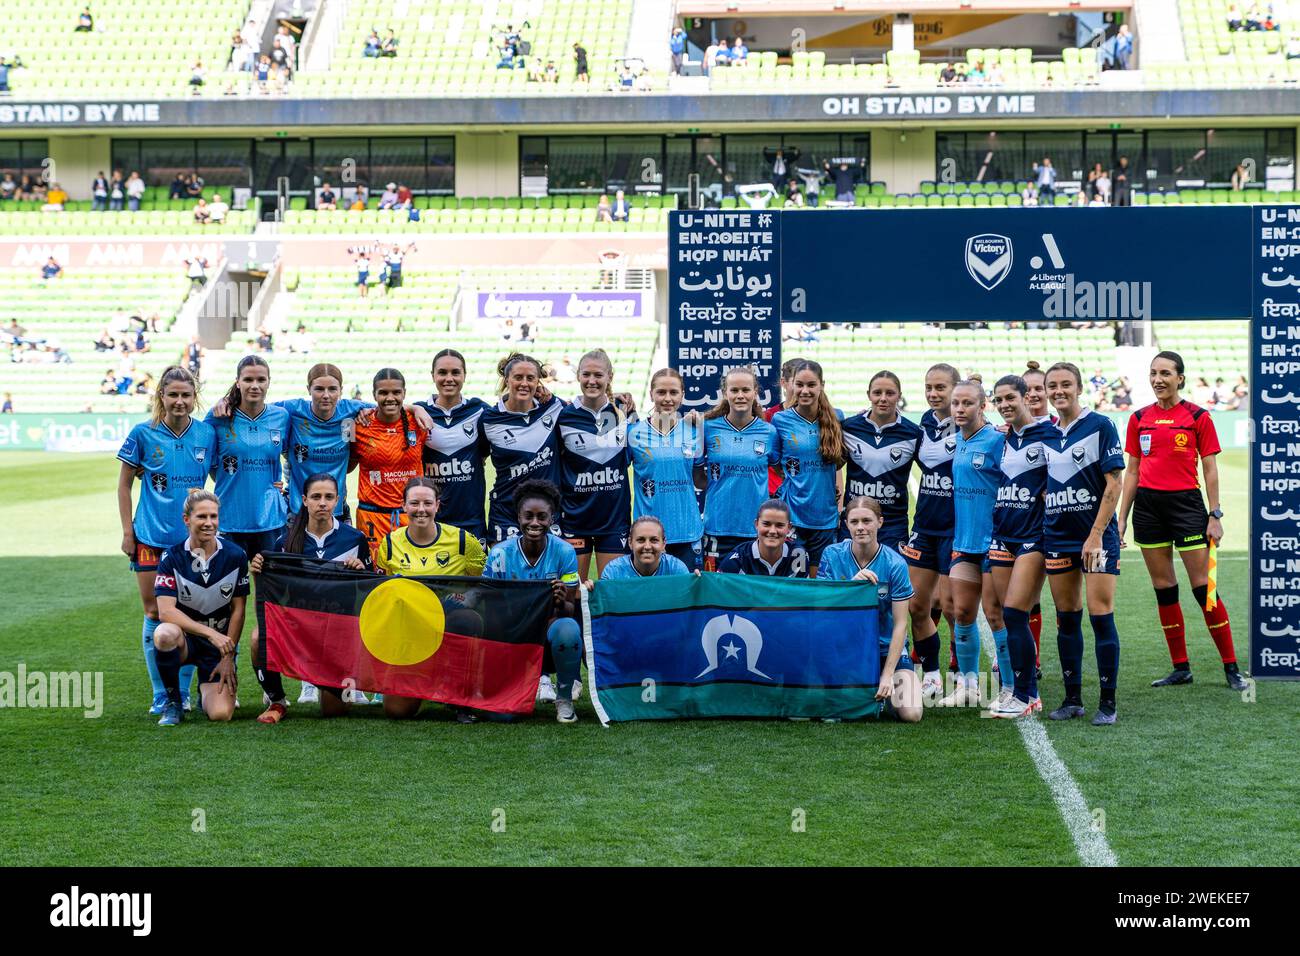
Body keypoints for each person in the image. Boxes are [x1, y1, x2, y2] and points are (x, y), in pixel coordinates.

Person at [1117, 352, 1245, 691]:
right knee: (1164, 589)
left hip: (1187, 506)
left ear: (1180, 378)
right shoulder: (1139, 417)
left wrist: (1214, 514)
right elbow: (1131, 471)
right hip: (1147, 507)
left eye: (1166, 373)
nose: (1158, 379)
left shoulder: (1197, 416)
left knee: (1205, 590)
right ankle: (1180, 667)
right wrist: (1121, 519)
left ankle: (1231, 668)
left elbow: (1210, 467)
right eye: (1153, 373)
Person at [117, 366, 216, 715]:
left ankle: (183, 692)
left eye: (186, 395)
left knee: (188, 613)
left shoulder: (206, 434)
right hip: (149, 536)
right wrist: (128, 531)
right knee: (153, 611)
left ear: (194, 398)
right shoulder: (143, 434)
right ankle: (161, 692)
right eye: (172, 394)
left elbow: (223, 477)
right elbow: (124, 485)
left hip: (189, 542)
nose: (179, 401)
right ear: (161, 396)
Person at [247, 474, 374, 723]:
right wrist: (258, 572)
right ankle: (277, 700)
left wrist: (361, 570)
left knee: (334, 711)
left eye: (328, 497)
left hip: (338, 635)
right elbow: (271, 596)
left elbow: (371, 592)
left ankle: (336, 679)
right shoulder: (285, 542)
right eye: (316, 497)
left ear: (338, 500)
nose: (322, 503)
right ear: (304, 501)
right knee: (257, 638)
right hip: (299, 631)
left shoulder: (354, 539)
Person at [1042, 362, 1125, 725]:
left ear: (1078, 388)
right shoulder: (1045, 432)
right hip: (1057, 535)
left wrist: (1094, 535)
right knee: (1066, 618)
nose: (1059, 391)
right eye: (1053, 386)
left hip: (1095, 536)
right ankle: (1072, 698)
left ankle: (1108, 702)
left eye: (1065, 385)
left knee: (1100, 615)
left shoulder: (1100, 425)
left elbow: (1115, 484)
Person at [204, 355, 290, 700]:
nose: (255, 386)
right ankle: (227, 679)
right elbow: (209, 462)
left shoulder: (283, 416)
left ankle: (271, 687)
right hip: (230, 523)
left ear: (269, 382)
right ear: (238, 382)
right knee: (224, 606)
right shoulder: (218, 418)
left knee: (269, 605)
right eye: (249, 380)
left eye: (261, 380)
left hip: (271, 522)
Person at [374, 477, 488, 720]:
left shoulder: (462, 541)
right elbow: (382, 593)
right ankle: (426, 681)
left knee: (468, 620)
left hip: (450, 625)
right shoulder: (390, 544)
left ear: (438, 505)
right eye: (414, 503)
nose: (421, 509)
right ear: (403, 506)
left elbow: (485, 583)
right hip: (410, 633)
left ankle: (460, 694)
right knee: (396, 711)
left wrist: (467, 599)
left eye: (427, 503)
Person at [983, 375, 1056, 718]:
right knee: (1004, 615)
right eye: (999, 400)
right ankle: (1015, 689)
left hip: (1034, 536)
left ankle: (1028, 694)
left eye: (1010, 397)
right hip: (1002, 533)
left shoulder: (1050, 435)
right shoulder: (1002, 437)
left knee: (1016, 612)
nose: (1005, 404)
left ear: (1027, 397)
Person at [483, 479, 584, 722]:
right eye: (529, 516)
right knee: (504, 718)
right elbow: (488, 604)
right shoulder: (500, 553)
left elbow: (570, 611)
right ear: (518, 517)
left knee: (569, 629)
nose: (535, 523)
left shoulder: (564, 552)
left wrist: (561, 600)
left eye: (542, 516)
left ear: (552, 518)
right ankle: (518, 686)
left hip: (550, 629)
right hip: (512, 633)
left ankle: (564, 699)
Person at [818, 497, 922, 722]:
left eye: (867, 520)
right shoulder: (832, 555)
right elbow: (823, 611)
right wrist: (853, 589)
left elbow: (901, 624)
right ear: (846, 524)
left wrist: (887, 674)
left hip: (886, 649)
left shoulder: (895, 564)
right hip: (845, 648)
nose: (860, 527)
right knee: (828, 707)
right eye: (854, 522)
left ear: (880, 522)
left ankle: (888, 683)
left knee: (911, 714)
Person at [937, 378, 1006, 709]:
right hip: (964, 542)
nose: (960, 409)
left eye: (967, 403)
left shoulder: (997, 441)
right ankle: (969, 686)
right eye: (956, 403)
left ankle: (1009, 687)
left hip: (993, 541)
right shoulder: (958, 442)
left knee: (996, 615)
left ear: (983, 406)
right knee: (962, 612)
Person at [151, 491, 247, 726]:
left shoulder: (236, 555)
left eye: (213, 516)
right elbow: (165, 612)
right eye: (201, 516)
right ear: (187, 519)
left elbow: (238, 611)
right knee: (164, 634)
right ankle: (173, 702)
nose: (209, 523)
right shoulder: (171, 557)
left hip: (217, 649)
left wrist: (228, 657)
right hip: (186, 640)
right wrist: (212, 634)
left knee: (221, 714)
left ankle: (205, 692)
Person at [898, 363, 960, 701]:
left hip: (956, 528)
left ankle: (964, 676)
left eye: (941, 388)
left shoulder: (970, 424)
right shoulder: (923, 424)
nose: (934, 394)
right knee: (917, 607)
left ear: (955, 389)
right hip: (923, 526)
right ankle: (933, 674)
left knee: (953, 609)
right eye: (929, 388)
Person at [559, 349, 634, 578]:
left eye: (598, 375)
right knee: (573, 593)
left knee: (612, 592)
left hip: (614, 518)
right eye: (586, 375)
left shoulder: (624, 412)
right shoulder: (563, 415)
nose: (592, 381)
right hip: (574, 517)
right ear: (578, 376)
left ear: (610, 376)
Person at [697, 367, 780, 572]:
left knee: (751, 595)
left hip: (755, 530)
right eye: (734, 390)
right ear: (725, 393)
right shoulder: (708, 428)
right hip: (717, 527)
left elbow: (782, 472)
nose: (740, 395)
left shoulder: (769, 432)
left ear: (755, 392)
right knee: (716, 591)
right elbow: (698, 477)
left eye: (746, 390)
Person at [481, 353, 565, 544]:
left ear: (538, 382)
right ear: (507, 380)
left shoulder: (554, 407)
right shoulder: (488, 419)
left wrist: (615, 396)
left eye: (530, 378)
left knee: (548, 574)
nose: (524, 383)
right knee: (502, 573)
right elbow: (478, 455)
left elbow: (586, 406)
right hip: (505, 511)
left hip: (547, 512)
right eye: (518, 377)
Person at [771, 360, 844, 576]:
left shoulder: (837, 418)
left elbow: (838, 462)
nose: (805, 391)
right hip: (792, 517)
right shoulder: (780, 420)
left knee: (819, 585)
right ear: (791, 384)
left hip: (825, 518)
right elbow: (776, 463)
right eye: (799, 384)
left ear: (822, 385)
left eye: (811, 385)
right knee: (793, 584)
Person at [628, 368, 705, 571]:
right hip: (648, 537)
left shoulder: (694, 430)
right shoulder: (634, 433)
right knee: (651, 599)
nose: (667, 399)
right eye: (661, 392)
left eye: (674, 392)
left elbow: (700, 479)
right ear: (651, 393)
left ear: (683, 394)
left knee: (689, 598)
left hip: (687, 532)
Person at [351, 368, 430, 559]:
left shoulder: (418, 422)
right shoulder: (357, 425)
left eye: (396, 392)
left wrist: (415, 408)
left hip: (410, 515)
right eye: (383, 393)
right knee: (375, 577)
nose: (390, 398)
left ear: (404, 393)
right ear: (374, 395)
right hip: (373, 518)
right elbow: (345, 466)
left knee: (414, 574)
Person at [840, 370, 921, 552]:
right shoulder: (848, 427)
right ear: (868, 394)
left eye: (890, 393)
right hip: (855, 521)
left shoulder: (913, 432)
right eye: (877, 393)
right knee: (848, 578)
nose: (883, 398)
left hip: (893, 524)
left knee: (888, 579)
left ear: (899, 396)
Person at [417, 349, 492, 543]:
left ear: (464, 375)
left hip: (471, 519)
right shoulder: (418, 412)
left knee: (474, 573)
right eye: (442, 372)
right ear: (432, 375)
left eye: (455, 373)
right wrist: (411, 407)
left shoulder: (480, 410)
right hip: (431, 519)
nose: (449, 378)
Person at [718, 499, 809, 577]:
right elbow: (720, 593)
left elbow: (803, 595)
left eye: (779, 525)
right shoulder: (737, 559)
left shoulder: (798, 556)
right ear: (756, 524)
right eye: (766, 524)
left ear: (789, 528)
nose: (772, 531)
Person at [597, 516, 691, 579]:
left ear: (663, 544)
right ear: (630, 542)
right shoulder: (614, 572)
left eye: (654, 540)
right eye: (641, 540)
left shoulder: (676, 570)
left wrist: (696, 585)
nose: (647, 546)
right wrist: (591, 590)